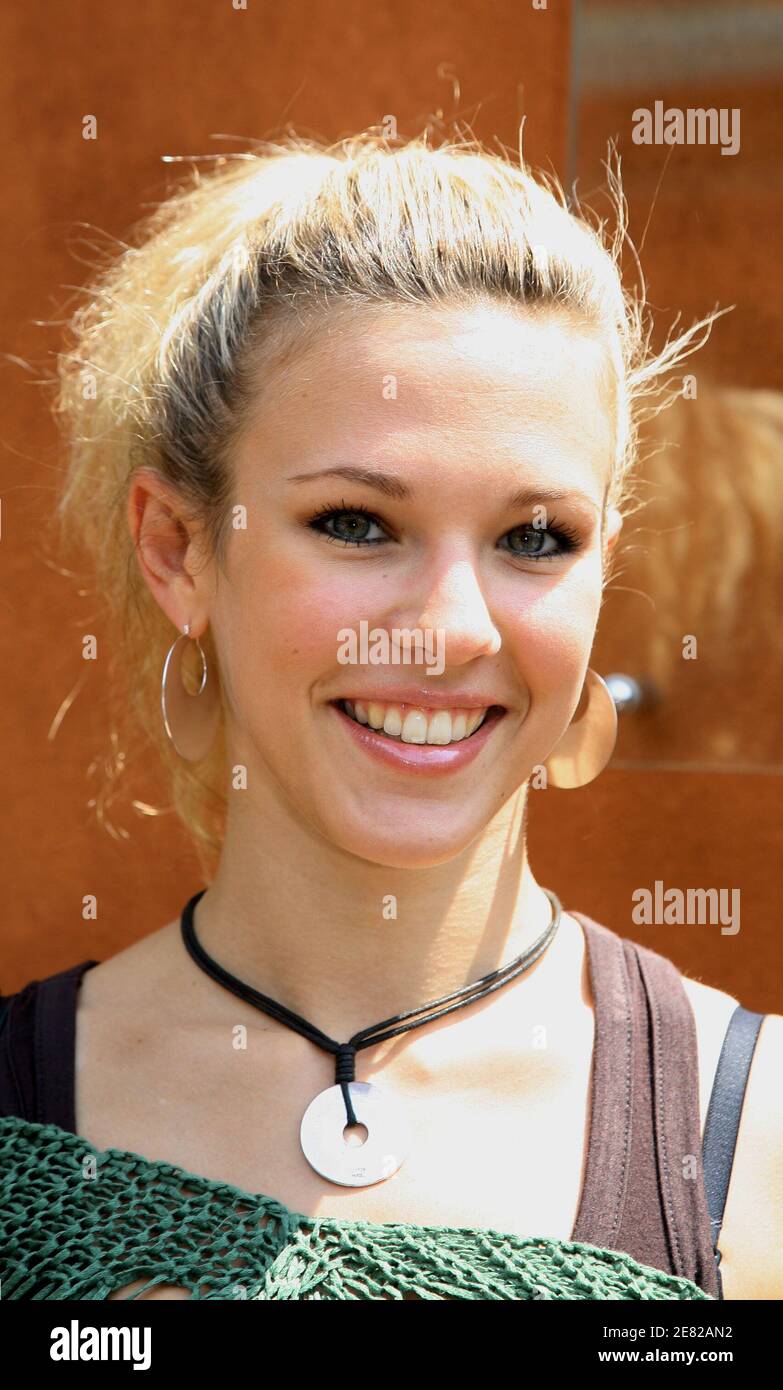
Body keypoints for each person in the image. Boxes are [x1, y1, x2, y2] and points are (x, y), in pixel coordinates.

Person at [1, 129, 780, 1302]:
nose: (453, 628)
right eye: (358, 523)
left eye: (535, 539)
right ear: (179, 549)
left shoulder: (761, 1140)